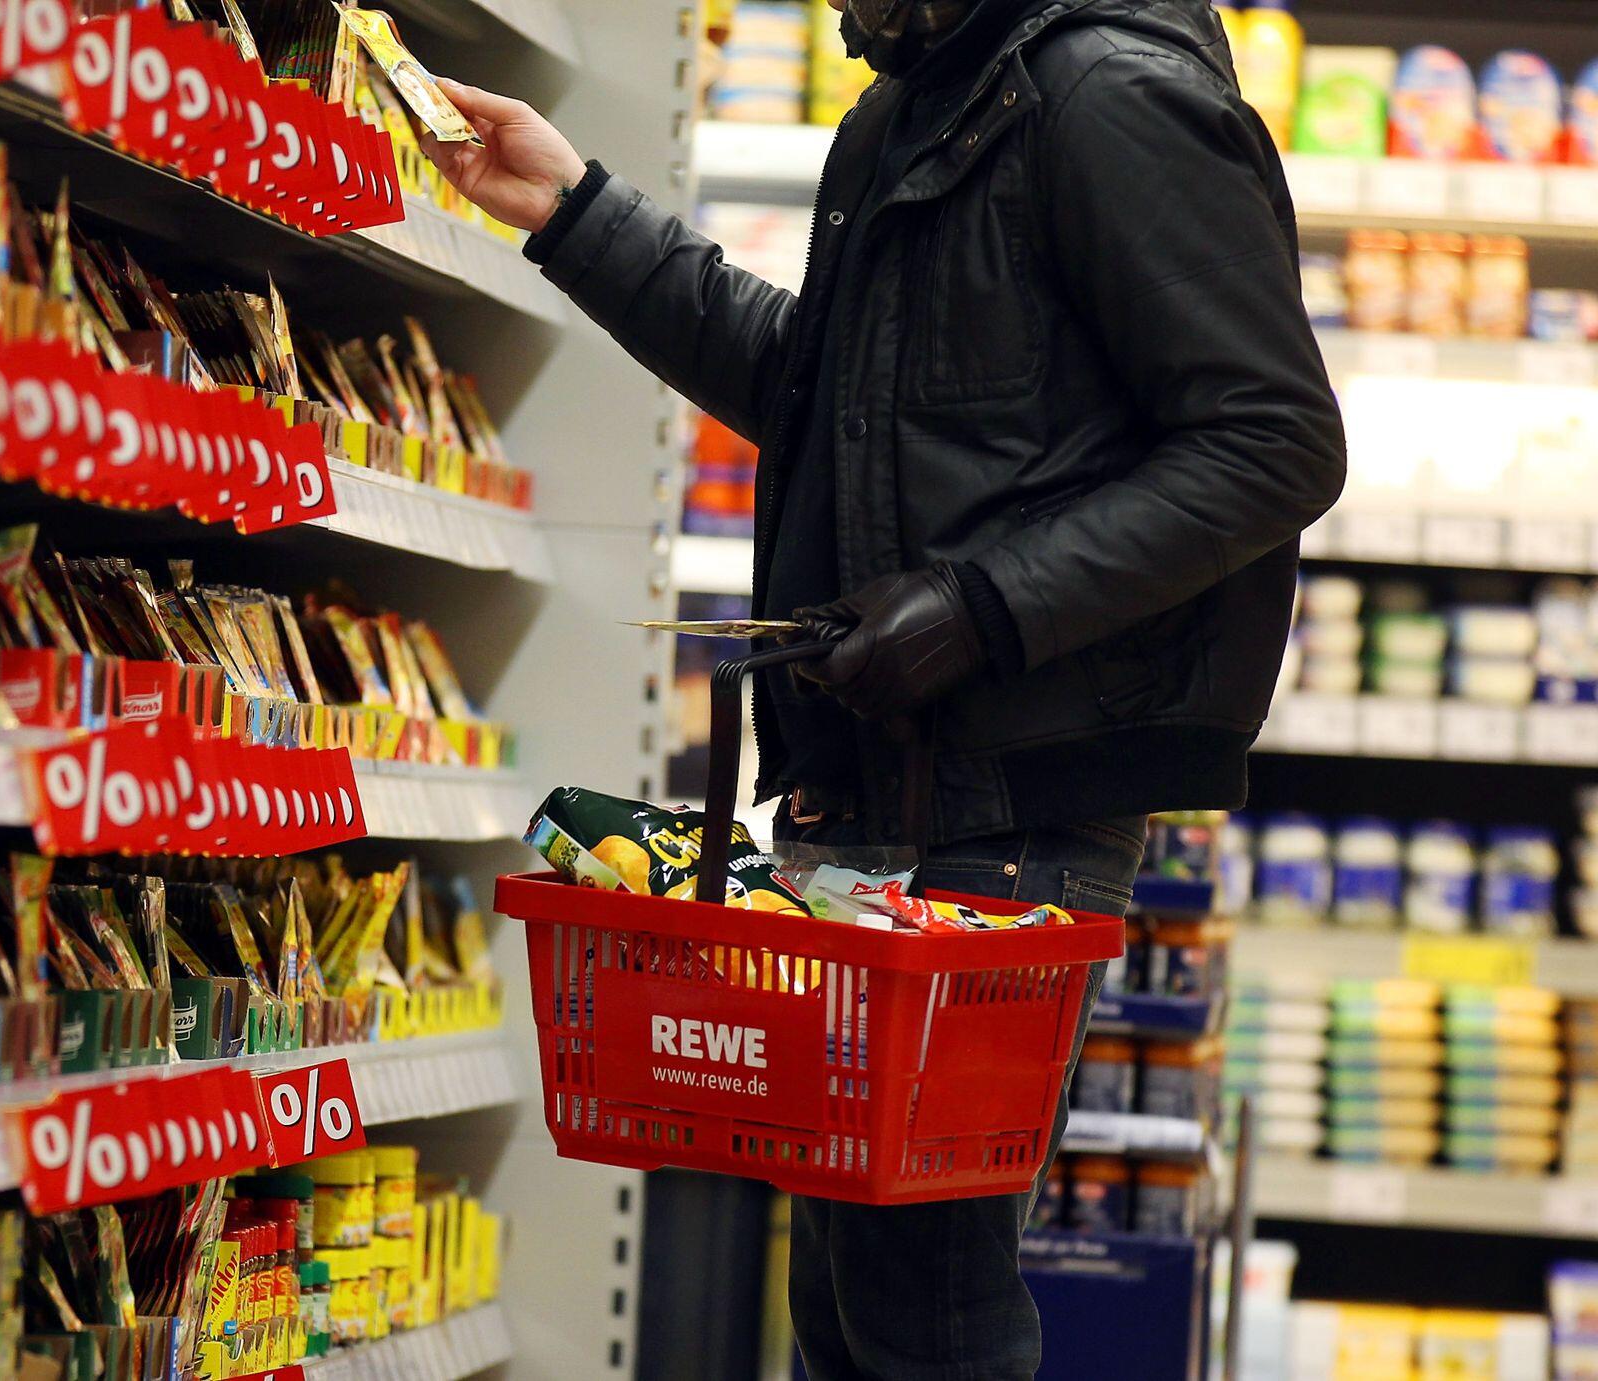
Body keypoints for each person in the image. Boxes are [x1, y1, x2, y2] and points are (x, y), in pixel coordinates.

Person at [421, 0, 1346, 1374]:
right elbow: (821, 395)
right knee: (849, 1308)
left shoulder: (1106, 98)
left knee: (928, 1312)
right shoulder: (907, 112)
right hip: (875, 775)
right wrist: (574, 211)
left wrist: (982, 604)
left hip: (1011, 798)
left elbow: (1275, 441)